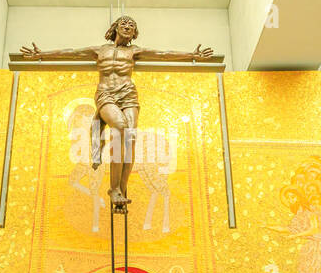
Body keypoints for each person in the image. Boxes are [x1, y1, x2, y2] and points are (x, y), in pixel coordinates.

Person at [20, 15, 213, 210]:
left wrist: (192, 56)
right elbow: (71, 52)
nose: (128, 26)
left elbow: (163, 54)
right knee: (120, 127)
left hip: (128, 94)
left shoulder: (134, 51)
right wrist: (41, 54)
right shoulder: (100, 50)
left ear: (134, 33)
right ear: (116, 28)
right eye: (124, 23)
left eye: (132, 25)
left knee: (130, 139)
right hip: (106, 94)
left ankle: (121, 189)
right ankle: (113, 189)